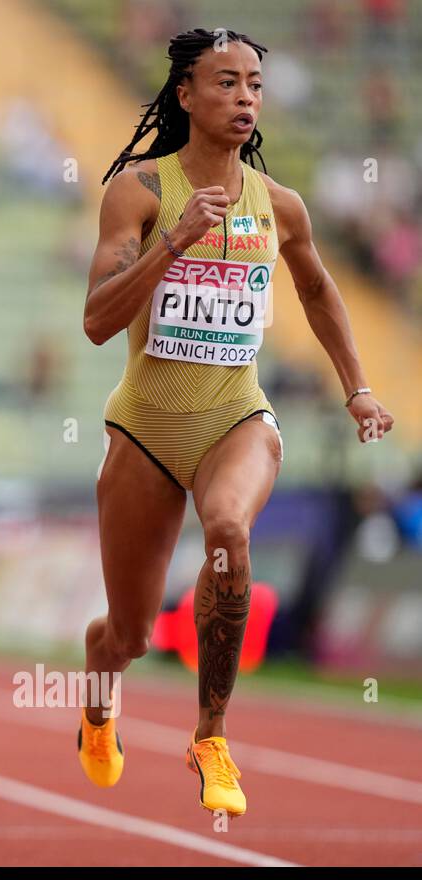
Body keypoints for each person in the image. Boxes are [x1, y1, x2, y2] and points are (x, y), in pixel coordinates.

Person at [79, 28, 394, 817]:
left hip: (236, 413)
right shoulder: (139, 192)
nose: (245, 97)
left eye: (255, 84)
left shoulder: (280, 206)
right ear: (184, 95)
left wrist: (357, 387)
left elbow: (320, 293)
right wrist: (173, 245)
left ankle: (210, 735)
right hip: (146, 425)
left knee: (229, 530)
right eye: (226, 82)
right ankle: (100, 681)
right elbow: (95, 319)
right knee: (132, 633)